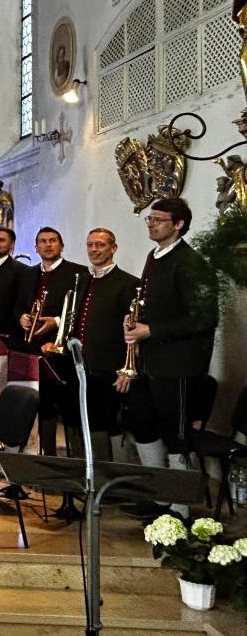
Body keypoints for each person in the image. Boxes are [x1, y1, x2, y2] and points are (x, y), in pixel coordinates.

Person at [123, 198, 219, 520]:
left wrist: (151, 330)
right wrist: (135, 321)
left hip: (178, 365)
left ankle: (180, 509)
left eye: (159, 220)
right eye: (149, 219)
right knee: (142, 423)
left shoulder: (191, 263)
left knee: (175, 435)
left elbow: (205, 318)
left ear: (178, 225)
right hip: (149, 361)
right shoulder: (154, 256)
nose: (151, 224)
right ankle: (160, 495)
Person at [54, 228, 138, 463]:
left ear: (113, 248)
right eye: (90, 245)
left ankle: (103, 474)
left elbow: (133, 332)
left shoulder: (128, 283)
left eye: (100, 245)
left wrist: (127, 368)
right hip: (75, 365)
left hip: (106, 367)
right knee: (73, 420)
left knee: (101, 424)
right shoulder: (81, 280)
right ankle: (80, 469)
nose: (94, 249)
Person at [18, 227, 86, 456]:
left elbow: (79, 310)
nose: (48, 245)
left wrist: (56, 322)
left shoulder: (77, 273)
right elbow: (18, 304)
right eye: (43, 241)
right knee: (43, 404)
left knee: (68, 407)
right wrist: (21, 317)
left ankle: (76, 458)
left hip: (61, 351)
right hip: (33, 349)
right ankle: (47, 454)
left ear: (61, 245)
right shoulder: (28, 273)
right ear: (36, 247)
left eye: (53, 240)